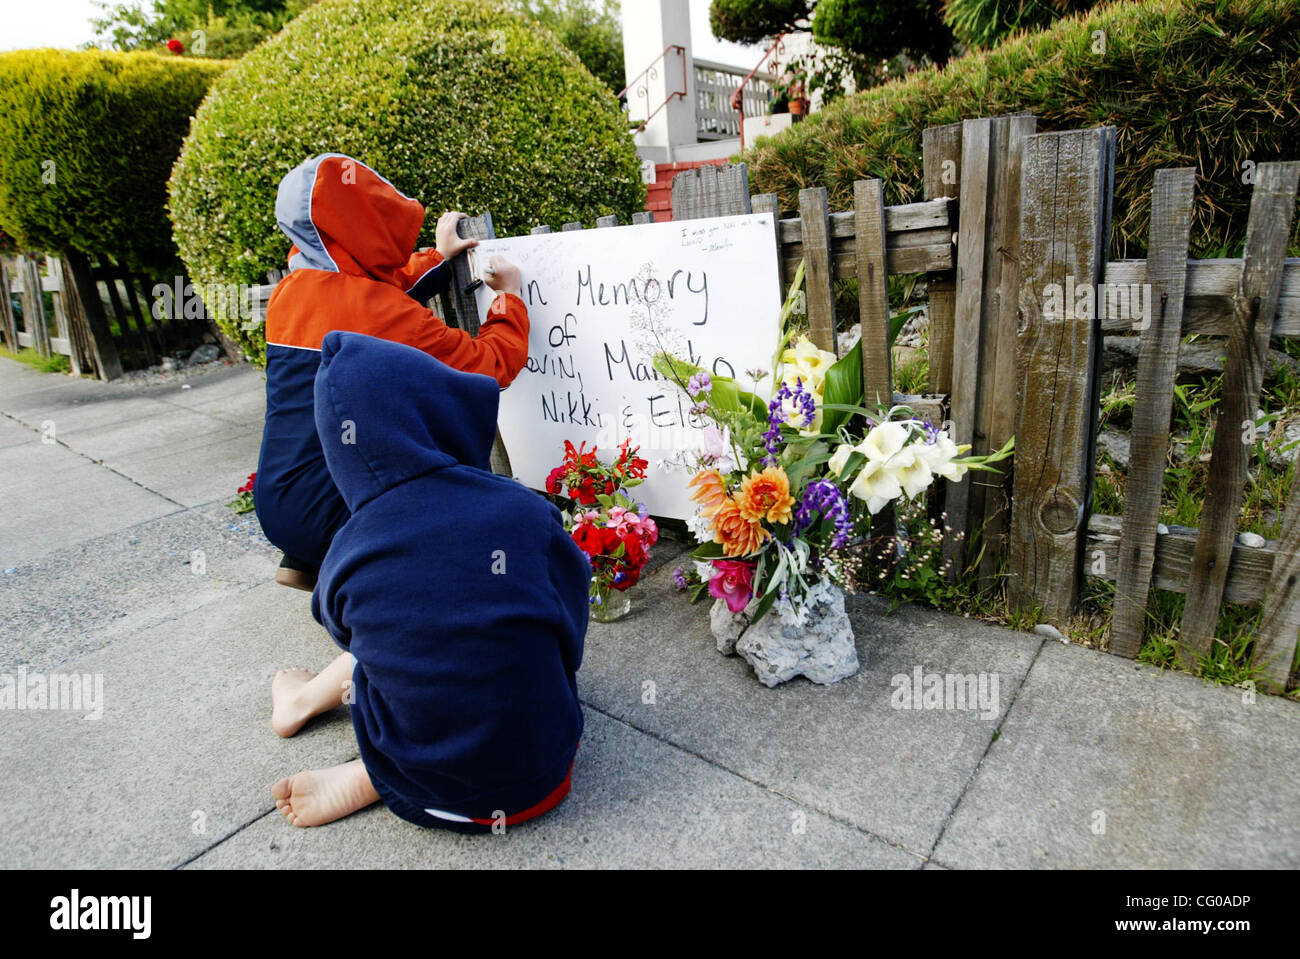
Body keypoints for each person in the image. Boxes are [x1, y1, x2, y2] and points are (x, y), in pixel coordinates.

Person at [268, 331, 590, 831]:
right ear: (442, 411)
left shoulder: (350, 550)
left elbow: (348, 636)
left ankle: (358, 758)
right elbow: (572, 616)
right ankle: (367, 745)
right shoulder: (525, 510)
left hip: (423, 793)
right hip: (548, 773)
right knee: (505, 641)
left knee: (391, 643)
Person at [254, 153, 529, 590]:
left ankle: (308, 562)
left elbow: (369, 292)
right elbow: (491, 367)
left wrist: (437, 258)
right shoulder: (384, 315)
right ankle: (360, 587)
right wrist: (509, 299)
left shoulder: (290, 293)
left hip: (278, 501)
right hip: (336, 514)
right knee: (441, 567)